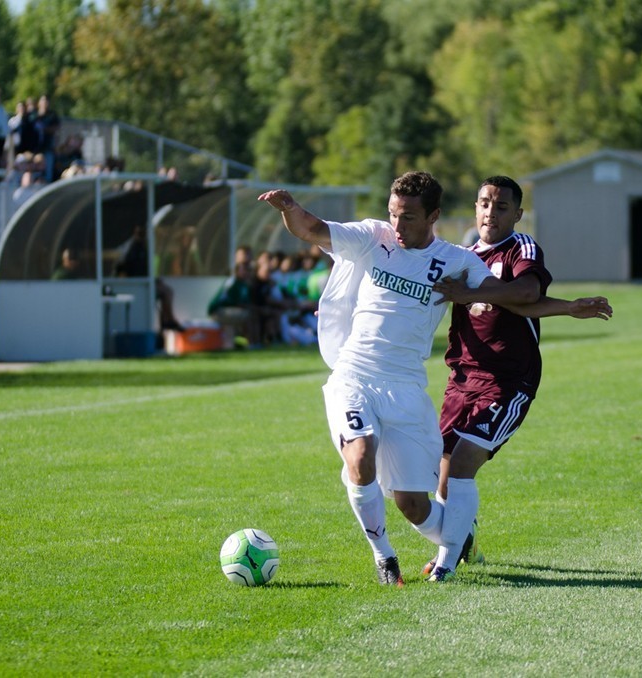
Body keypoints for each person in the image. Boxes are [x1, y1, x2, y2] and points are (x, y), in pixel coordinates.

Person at [258, 171, 541, 586]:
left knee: (413, 504)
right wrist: (288, 208)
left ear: (434, 216)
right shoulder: (374, 237)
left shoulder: (457, 262)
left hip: (407, 389)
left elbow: (515, 297)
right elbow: (312, 229)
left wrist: (567, 308)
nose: (397, 226)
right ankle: (385, 556)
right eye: (393, 214)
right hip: (354, 375)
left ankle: (458, 540)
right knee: (360, 456)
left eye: (408, 217)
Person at [426, 176, 613, 582]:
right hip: (460, 379)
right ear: (475, 207)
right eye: (484, 203)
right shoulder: (463, 255)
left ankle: (445, 563)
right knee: (439, 479)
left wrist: (471, 294)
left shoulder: (521, 248)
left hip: (508, 381)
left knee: (460, 467)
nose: (491, 212)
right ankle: (464, 537)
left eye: (501, 206)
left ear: (517, 214)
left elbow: (526, 295)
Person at [114, 225, 184, 332]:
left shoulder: (142, 247)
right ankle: (168, 320)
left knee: (167, 292)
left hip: (145, 283)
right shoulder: (132, 248)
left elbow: (144, 269)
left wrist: (154, 280)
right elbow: (131, 269)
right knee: (166, 292)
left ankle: (167, 320)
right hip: (138, 286)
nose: (143, 236)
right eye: (141, 233)